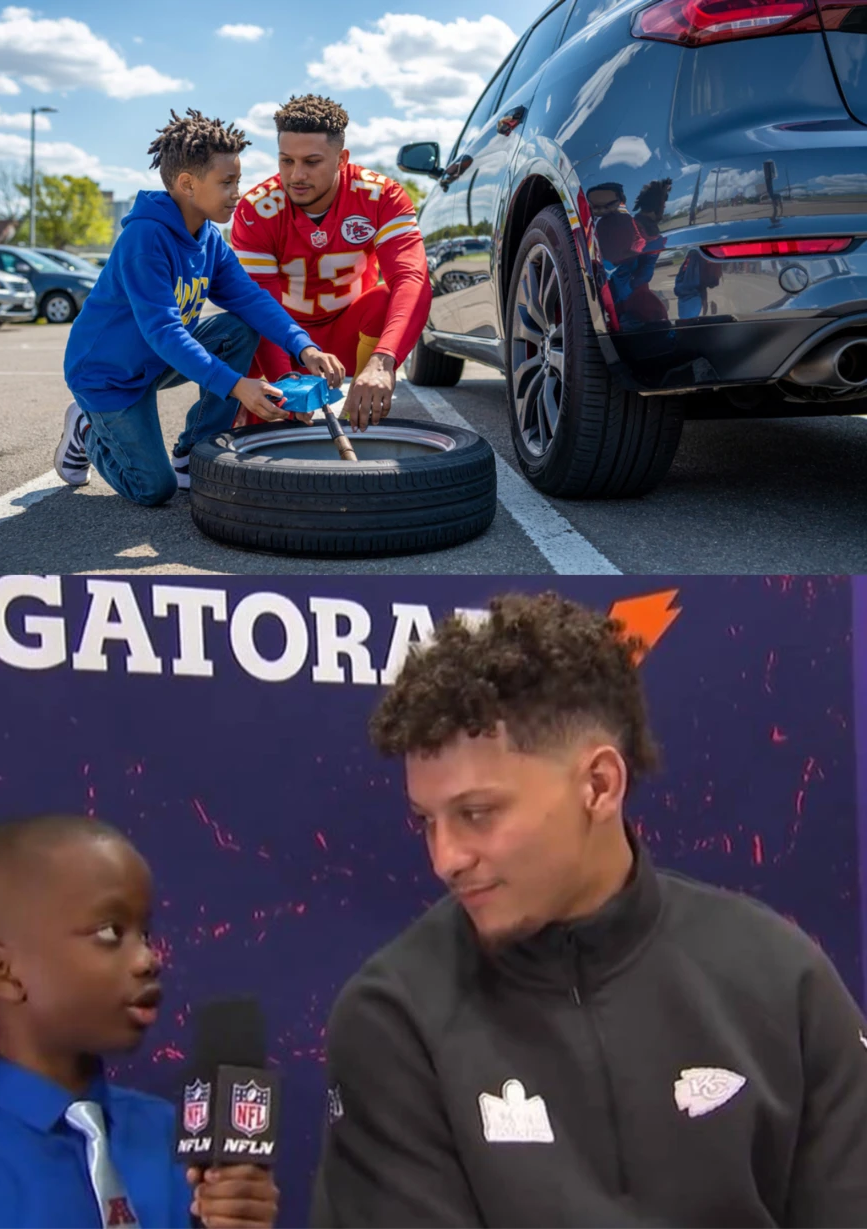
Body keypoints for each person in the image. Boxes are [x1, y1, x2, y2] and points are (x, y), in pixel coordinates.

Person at [310, 594, 867, 1228]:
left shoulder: (782, 979)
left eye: (476, 814)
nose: (446, 859)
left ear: (599, 785)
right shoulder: (393, 1018)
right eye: (426, 822)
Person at [0, 813, 279, 1229]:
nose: (150, 959)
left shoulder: (178, 1139)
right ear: (1, 972)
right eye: (111, 932)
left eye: (144, 933)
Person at [54, 108, 344, 501]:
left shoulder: (208, 238)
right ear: (188, 184)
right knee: (153, 490)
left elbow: (250, 299)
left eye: (238, 181)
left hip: (156, 362)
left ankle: (194, 453)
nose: (237, 193)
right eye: (227, 183)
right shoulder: (146, 239)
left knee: (239, 328)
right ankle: (85, 429)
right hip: (108, 377)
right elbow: (165, 331)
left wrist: (303, 346)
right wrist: (237, 386)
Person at [230, 94, 431, 433]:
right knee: (238, 330)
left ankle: (364, 405)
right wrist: (285, 381)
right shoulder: (257, 209)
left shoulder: (381, 195)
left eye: (311, 161)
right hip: (284, 340)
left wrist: (384, 360)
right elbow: (259, 304)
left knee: (384, 299)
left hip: (348, 337)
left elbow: (412, 279)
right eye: (286, 161)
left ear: (342, 159)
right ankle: (237, 417)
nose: (296, 175)